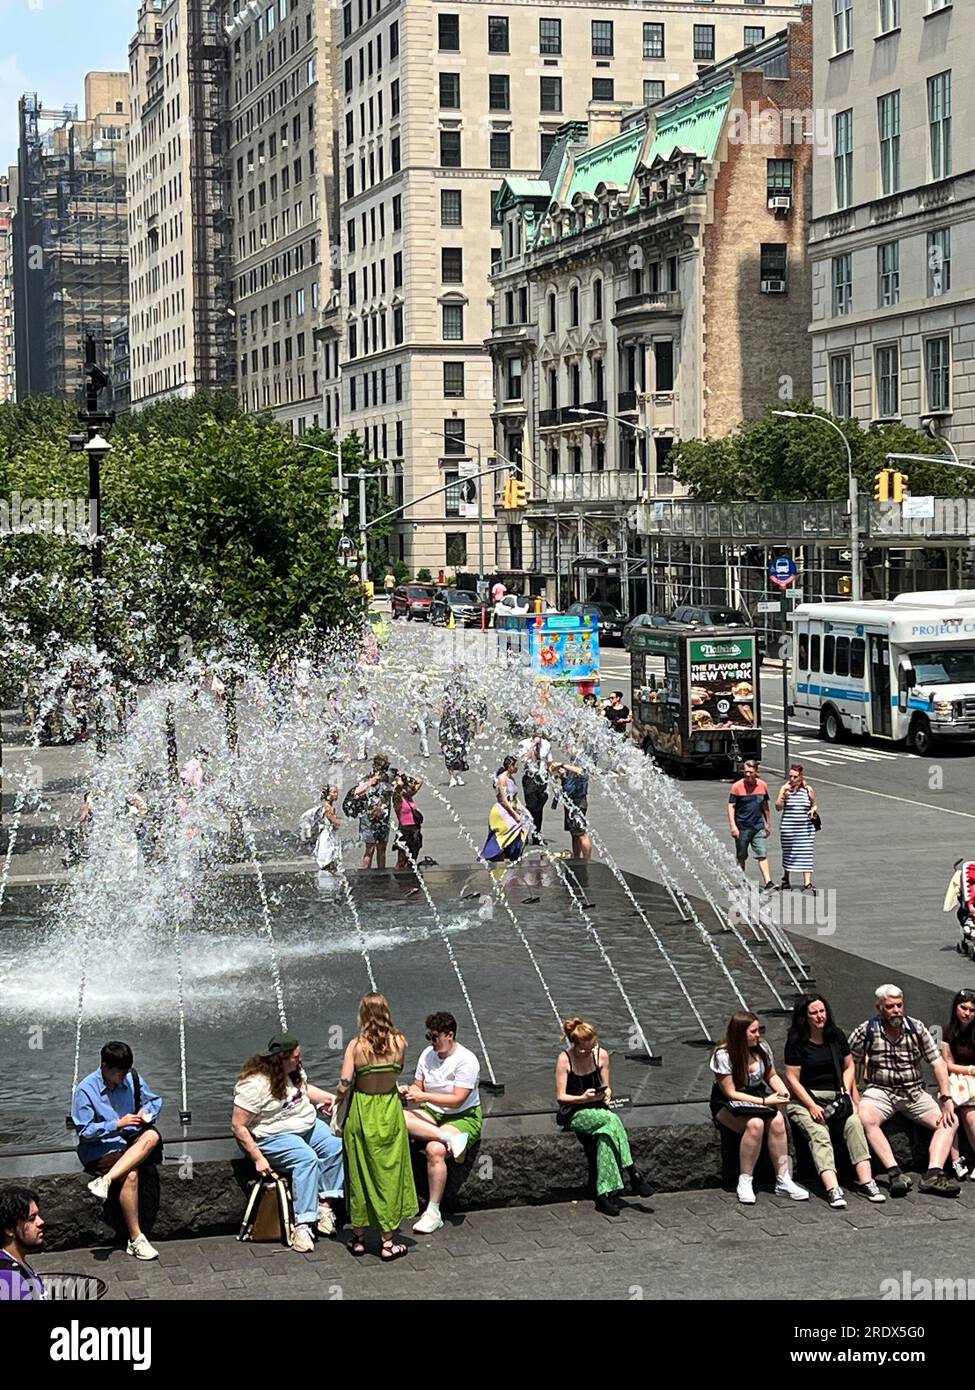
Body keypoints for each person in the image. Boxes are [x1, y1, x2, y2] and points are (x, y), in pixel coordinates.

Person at [231, 1034, 344, 1253]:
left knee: (336, 1144)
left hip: (306, 1125)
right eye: (295, 1057)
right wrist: (258, 1157)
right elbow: (238, 1126)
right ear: (280, 1059)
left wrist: (331, 1099)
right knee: (306, 1159)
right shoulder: (255, 1085)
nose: (299, 1060)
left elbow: (305, 1091)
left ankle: (324, 1205)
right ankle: (303, 1224)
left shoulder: (295, 1071)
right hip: (273, 1135)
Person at [848, 984, 961, 1197]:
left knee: (949, 1121)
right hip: (880, 1091)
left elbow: (937, 1062)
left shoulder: (916, 1027)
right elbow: (849, 1064)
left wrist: (946, 1097)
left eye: (899, 1005)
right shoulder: (866, 1030)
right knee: (865, 1117)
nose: (897, 1010)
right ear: (880, 1007)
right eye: (890, 1006)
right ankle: (894, 1172)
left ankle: (933, 1174)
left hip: (913, 1091)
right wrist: (854, 1095)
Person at [335, 994, 418, 1260]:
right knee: (390, 1172)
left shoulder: (355, 1046)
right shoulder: (400, 1042)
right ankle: (387, 1242)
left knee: (359, 1172)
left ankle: (358, 1240)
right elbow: (398, 1071)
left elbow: (345, 1081)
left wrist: (336, 1098)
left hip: (362, 1110)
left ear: (363, 1014)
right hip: (389, 1110)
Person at [783, 994, 886, 1207]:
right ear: (804, 1016)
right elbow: (792, 1078)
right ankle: (832, 1188)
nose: (820, 1016)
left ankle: (867, 1181)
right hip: (805, 1099)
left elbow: (849, 1066)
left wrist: (846, 1092)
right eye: (814, 1013)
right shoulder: (796, 1040)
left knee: (855, 1124)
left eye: (822, 1011)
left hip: (837, 1097)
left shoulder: (835, 1035)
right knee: (819, 1132)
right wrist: (811, 1105)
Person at [71, 1040, 164, 1261]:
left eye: (125, 1072)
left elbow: (155, 1101)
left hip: (129, 1142)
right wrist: (116, 1124)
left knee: (153, 1135)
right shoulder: (85, 1089)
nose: (122, 1078)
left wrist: (146, 1114)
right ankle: (136, 1238)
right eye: (117, 1073)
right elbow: (84, 1131)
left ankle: (105, 1181)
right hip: (99, 1148)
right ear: (104, 1066)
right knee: (131, 1174)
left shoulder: (132, 1078)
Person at [555, 1017, 652, 1216]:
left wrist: (606, 1093)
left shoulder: (602, 1055)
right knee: (612, 1120)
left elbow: (607, 1087)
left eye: (593, 1047)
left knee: (605, 1137)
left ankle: (603, 1195)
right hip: (575, 1112)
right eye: (584, 1049)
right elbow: (561, 1096)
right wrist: (582, 1098)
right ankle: (633, 1172)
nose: (589, 1052)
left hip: (598, 1109)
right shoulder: (565, 1058)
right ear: (576, 1044)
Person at [709, 1012, 810, 1204]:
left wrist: (781, 1091)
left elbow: (770, 1075)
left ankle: (783, 1178)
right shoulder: (723, 1055)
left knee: (778, 1121)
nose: (758, 1035)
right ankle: (745, 1180)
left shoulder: (761, 1048)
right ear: (740, 1033)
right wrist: (765, 1102)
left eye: (759, 1030)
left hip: (756, 1096)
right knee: (755, 1124)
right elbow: (730, 1092)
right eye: (753, 1031)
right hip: (728, 1103)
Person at [404, 1012, 483, 1235]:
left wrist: (424, 1097)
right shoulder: (427, 1055)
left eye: (436, 1037)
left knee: (434, 1149)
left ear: (450, 1035)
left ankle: (433, 1211)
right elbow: (418, 1085)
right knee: (399, 1117)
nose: (432, 1042)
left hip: (461, 1115)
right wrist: (411, 1091)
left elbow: (458, 1098)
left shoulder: (466, 1060)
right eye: (429, 1036)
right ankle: (450, 1138)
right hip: (432, 1113)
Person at [941, 987, 975, 1182]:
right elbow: (948, 1064)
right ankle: (956, 1160)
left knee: (970, 1116)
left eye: (971, 1010)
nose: (967, 1013)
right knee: (949, 1112)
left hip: (972, 1082)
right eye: (963, 1008)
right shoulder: (947, 1030)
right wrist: (970, 1070)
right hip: (958, 1078)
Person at [727, 759, 775, 891]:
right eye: (746, 772)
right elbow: (731, 806)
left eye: (750, 772)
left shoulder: (763, 786)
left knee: (762, 853)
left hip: (758, 826)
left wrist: (768, 823)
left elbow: (765, 805)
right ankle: (741, 879)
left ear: (756, 772)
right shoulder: (737, 786)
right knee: (741, 856)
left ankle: (768, 881)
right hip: (742, 827)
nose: (747, 775)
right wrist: (733, 826)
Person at [775, 763, 818, 892]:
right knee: (789, 853)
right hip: (789, 828)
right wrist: (783, 796)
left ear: (801, 777)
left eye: (795, 777)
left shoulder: (807, 789)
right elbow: (778, 807)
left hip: (805, 828)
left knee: (806, 853)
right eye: (790, 776)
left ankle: (807, 882)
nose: (791, 779)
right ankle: (786, 878)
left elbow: (815, 804)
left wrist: (812, 810)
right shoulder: (785, 789)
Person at [481, 755, 530, 863]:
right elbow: (504, 800)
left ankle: (514, 854)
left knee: (525, 825)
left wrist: (525, 810)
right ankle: (495, 854)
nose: (518, 767)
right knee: (508, 832)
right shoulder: (502, 779)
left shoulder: (511, 778)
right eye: (516, 765)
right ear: (510, 766)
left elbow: (515, 798)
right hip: (502, 811)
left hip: (512, 807)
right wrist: (515, 814)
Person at [0, 1186, 45, 1299]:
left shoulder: (15, 1261)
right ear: (9, 1229)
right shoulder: (10, 1279)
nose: (41, 1222)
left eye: (38, 1215)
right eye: (31, 1218)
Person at [352, 754, 396, 869]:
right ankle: (366, 874)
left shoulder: (389, 777)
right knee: (370, 849)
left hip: (383, 818)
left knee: (382, 849)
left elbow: (397, 780)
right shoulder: (366, 779)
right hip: (368, 819)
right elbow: (356, 792)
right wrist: (370, 782)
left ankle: (382, 874)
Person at [551, 759, 591, 859]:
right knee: (574, 833)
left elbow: (580, 771)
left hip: (578, 804)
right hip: (570, 804)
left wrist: (562, 764)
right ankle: (577, 858)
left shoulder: (583, 766)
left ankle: (587, 859)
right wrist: (560, 776)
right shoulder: (571, 769)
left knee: (581, 833)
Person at [519, 730, 551, 846]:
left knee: (539, 807)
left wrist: (554, 777)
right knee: (531, 807)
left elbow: (548, 762)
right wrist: (533, 745)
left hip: (542, 778)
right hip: (530, 778)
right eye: (537, 731)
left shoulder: (547, 744)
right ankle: (525, 833)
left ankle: (537, 835)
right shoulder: (524, 743)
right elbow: (524, 759)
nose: (539, 734)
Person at [300, 786, 341, 870]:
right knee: (328, 860)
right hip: (328, 837)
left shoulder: (327, 807)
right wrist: (343, 822)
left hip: (328, 835)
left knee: (330, 861)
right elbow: (335, 823)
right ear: (328, 795)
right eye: (334, 792)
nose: (337, 794)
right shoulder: (328, 808)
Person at [439, 683, 472, 787]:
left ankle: (459, 776)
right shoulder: (445, 718)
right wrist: (442, 742)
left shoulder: (461, 715)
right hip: (449, 740)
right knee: (449, 759)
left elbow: (466, 727)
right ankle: (452, 777)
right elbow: (442, 728)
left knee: (461, 758)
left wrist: (467, 740)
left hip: (460, 740)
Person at [393, 774, 424, 870]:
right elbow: (397, 788)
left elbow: (420, 781)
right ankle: (399, 877)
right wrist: (400, 780)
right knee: (402, 859)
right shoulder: (397, 798)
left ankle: (410, 878)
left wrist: (407, 775)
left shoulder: (409, 795)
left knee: (413, 858)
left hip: (415, 829)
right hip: (404, 829)